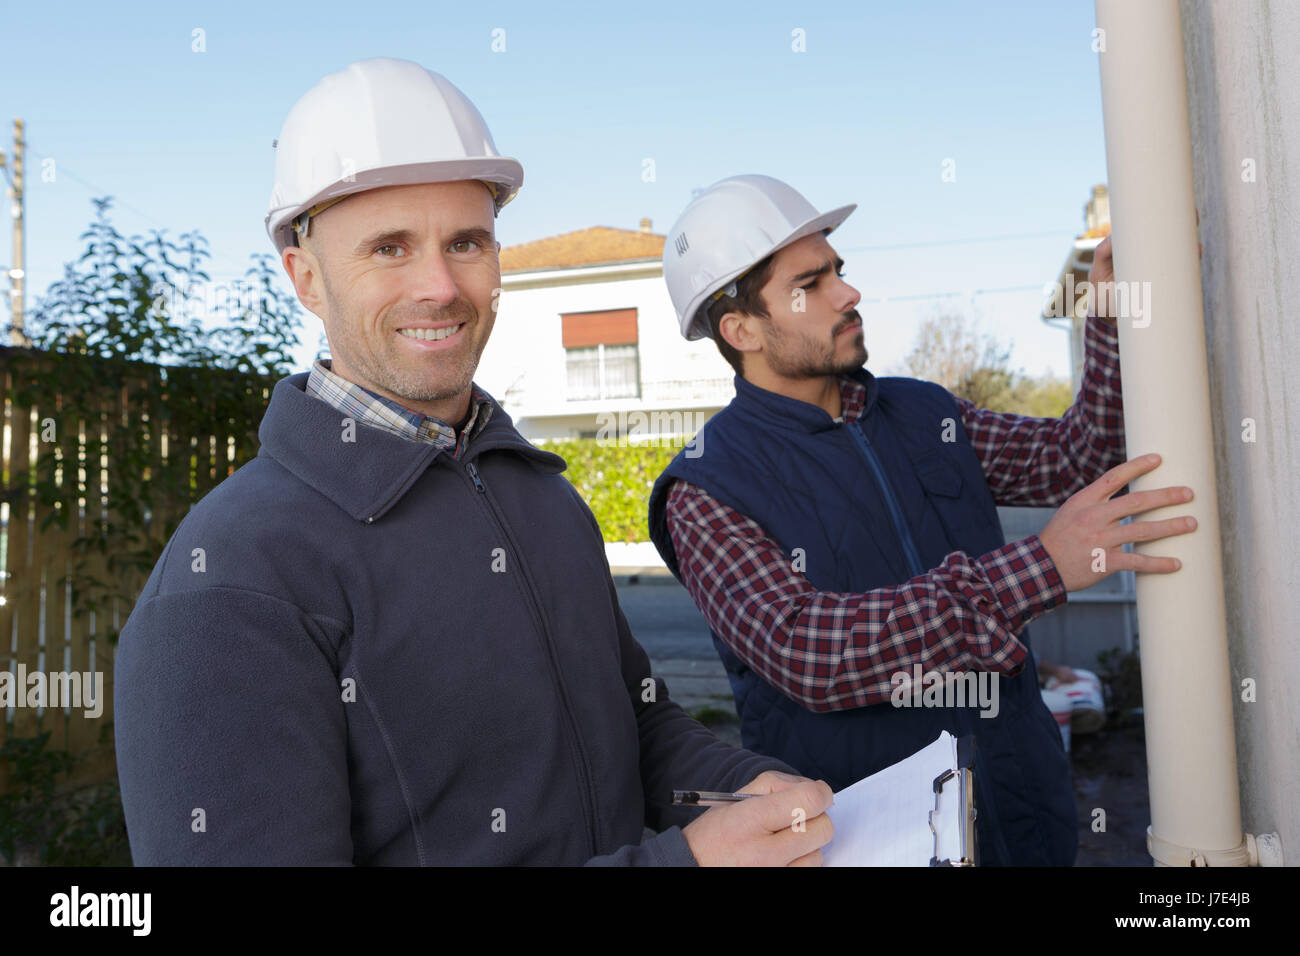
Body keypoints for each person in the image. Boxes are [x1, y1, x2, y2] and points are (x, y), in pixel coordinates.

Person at [113, 60, 834, 866]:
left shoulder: (546, 500)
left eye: (467, 242)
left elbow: (637, 725)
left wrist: (745, 789)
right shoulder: (231, 582)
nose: (439, 285)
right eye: (389, 247)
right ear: (306, 278)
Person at [647, 174, 1198, 865]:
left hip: (1023, 813)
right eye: (809, 285)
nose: (848, 294)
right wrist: (1039, 568)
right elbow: (810, 652)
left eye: (838, 272)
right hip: (878, 844)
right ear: (741, 329)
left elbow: (1078, 459)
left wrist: (1110, 318)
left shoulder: (924, 414)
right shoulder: (706, 487)